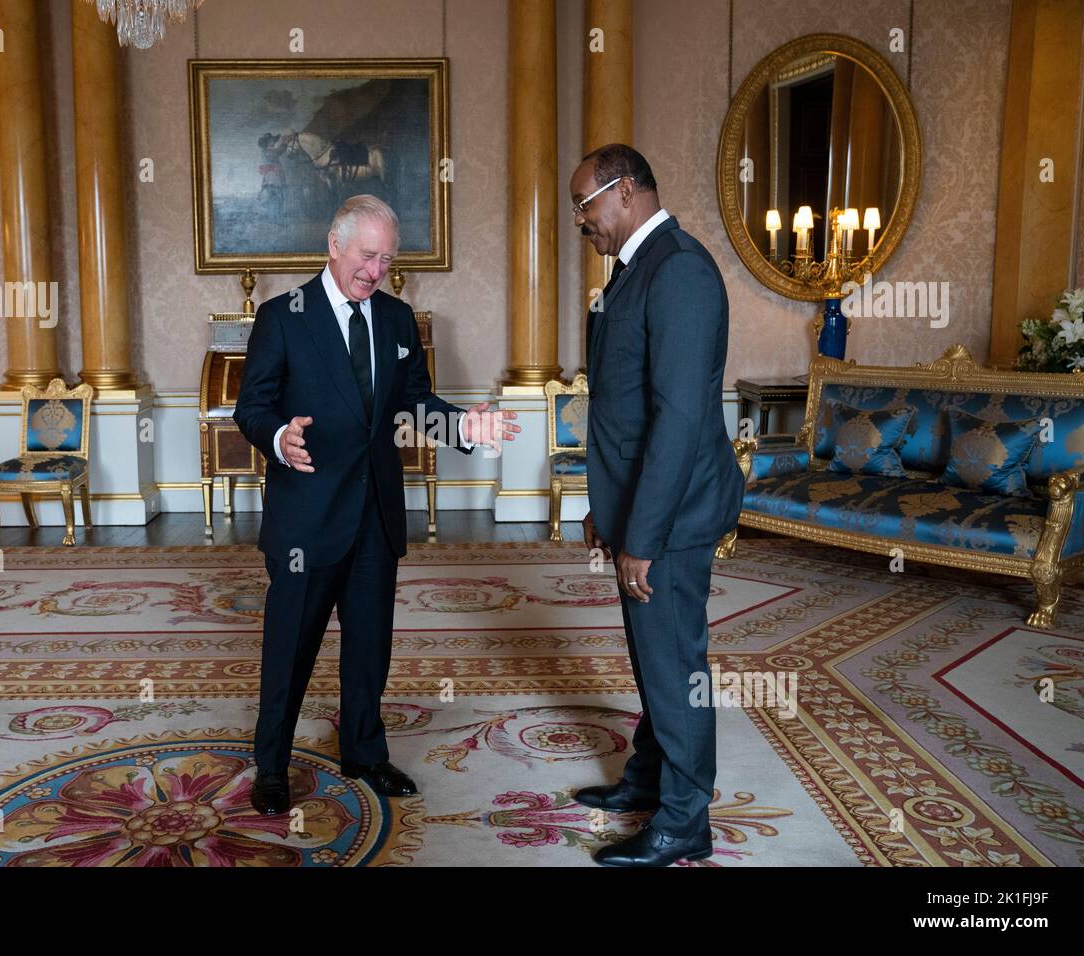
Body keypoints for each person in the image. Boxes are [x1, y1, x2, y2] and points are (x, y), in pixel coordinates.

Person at [233, 194, 520, 815]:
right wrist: (280, 438)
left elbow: (413, 404)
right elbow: (250, 408)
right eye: (367, 256)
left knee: (370, 647)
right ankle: (273, 765)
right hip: (307, 518)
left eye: (387, 260)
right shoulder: (284, 316)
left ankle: (364, 752)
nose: (376, 271)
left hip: (375, 516)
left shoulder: (395, 318)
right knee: (290, 649)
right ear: (334, 246)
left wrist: (467, 429)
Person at [569, 144, 744, 867]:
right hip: (639, 508)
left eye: (586, 206)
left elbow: (677, 419)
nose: (582, 222)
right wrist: (605, 512)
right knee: (653, 657)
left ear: (627, 192)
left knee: (675, 663)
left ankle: (683, 820)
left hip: (670, 517)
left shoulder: (679, 272)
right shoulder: (633, 271)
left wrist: (640, 534)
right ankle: (647, 777)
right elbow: (621, 408)